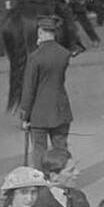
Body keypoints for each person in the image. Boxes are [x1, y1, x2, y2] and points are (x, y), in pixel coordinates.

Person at [19, 15, 74, 157]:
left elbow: (29, 89)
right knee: (61, 149)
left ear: (40, 33)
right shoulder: (64, 53)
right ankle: (61, 176)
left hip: (39, 112)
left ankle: (42, 178)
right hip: (60, 109)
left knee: (39, 151)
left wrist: (24, 116)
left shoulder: (35, 57)